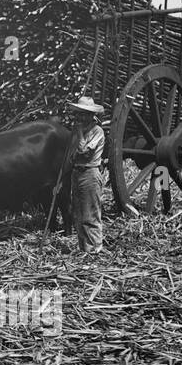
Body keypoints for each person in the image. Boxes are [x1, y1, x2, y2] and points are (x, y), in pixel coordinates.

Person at [68, 95, 105, 254]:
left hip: (90, 173)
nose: (80, 117)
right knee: (79, 215)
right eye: (79, 113)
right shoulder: (78, 131)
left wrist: (79, 134)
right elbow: (71, 155)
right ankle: (84, 249)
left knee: (90, 215)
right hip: (77, 173)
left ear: (91, 115)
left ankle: (95, 251)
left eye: (84, 114)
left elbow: (84, 152)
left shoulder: (97, 131)